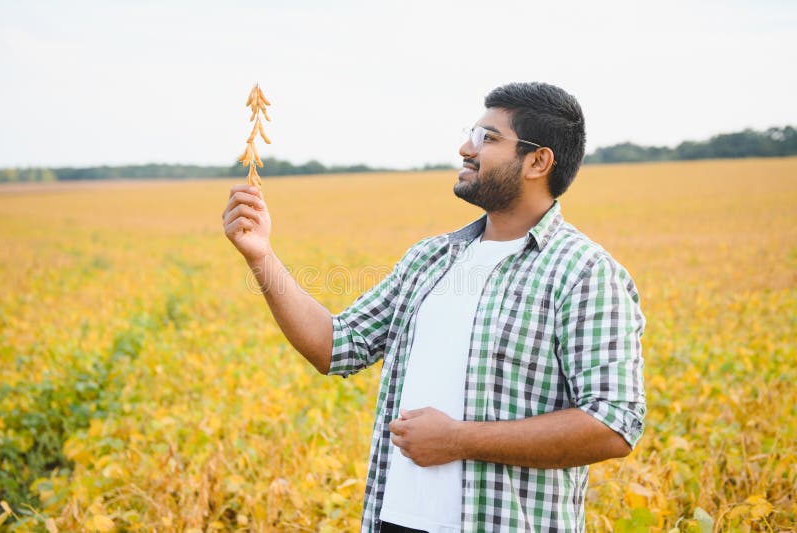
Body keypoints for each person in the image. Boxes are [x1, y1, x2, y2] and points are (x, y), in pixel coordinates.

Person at [222, 81, 646, 533]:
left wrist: (459, 440)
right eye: (472, 133)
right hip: (393, 521)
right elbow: (337, 345)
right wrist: (260, 255)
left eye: (488, 138)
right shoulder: (431, 258)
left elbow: (613, 423)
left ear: (538, 161)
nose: (466, 148)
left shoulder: (584, 272)